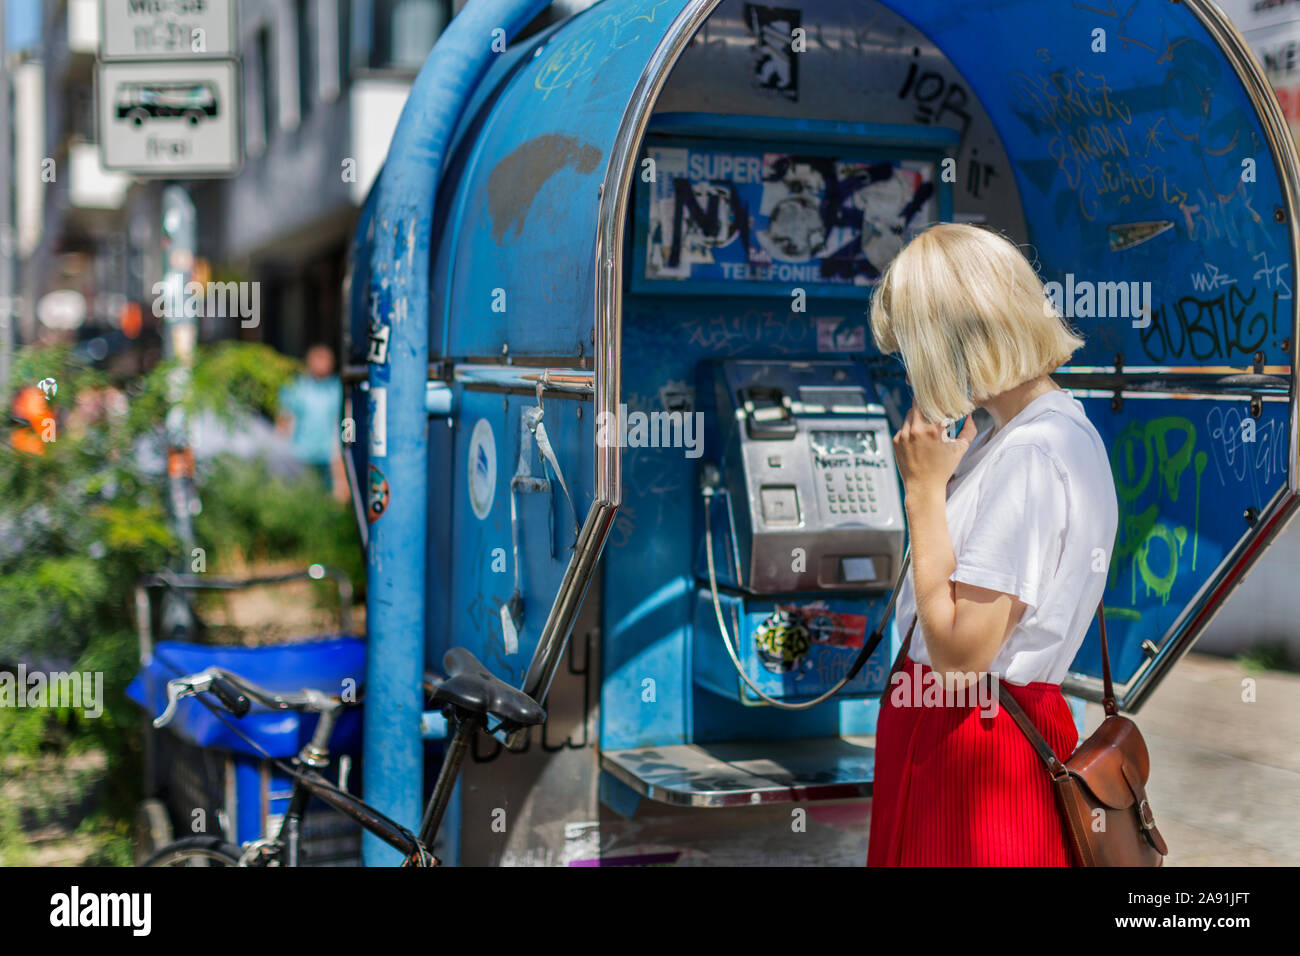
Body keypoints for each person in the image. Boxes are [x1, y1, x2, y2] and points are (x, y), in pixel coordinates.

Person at [865, 223, 1118, 866]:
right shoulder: (1031, 434)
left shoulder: (1032, 453)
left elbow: (958, 658)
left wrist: (922, 493)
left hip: (976, 747)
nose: (913, 370)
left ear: (953, 340)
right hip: (959, 734)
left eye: (914, 349)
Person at [277, 344, 347, 503]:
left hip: (330, 457)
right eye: (319, 359)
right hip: (300, 454)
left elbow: (347, 420)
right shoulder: (296, 387)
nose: (323, 364)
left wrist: (346, 449)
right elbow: (284, 420)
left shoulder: (338, 389)